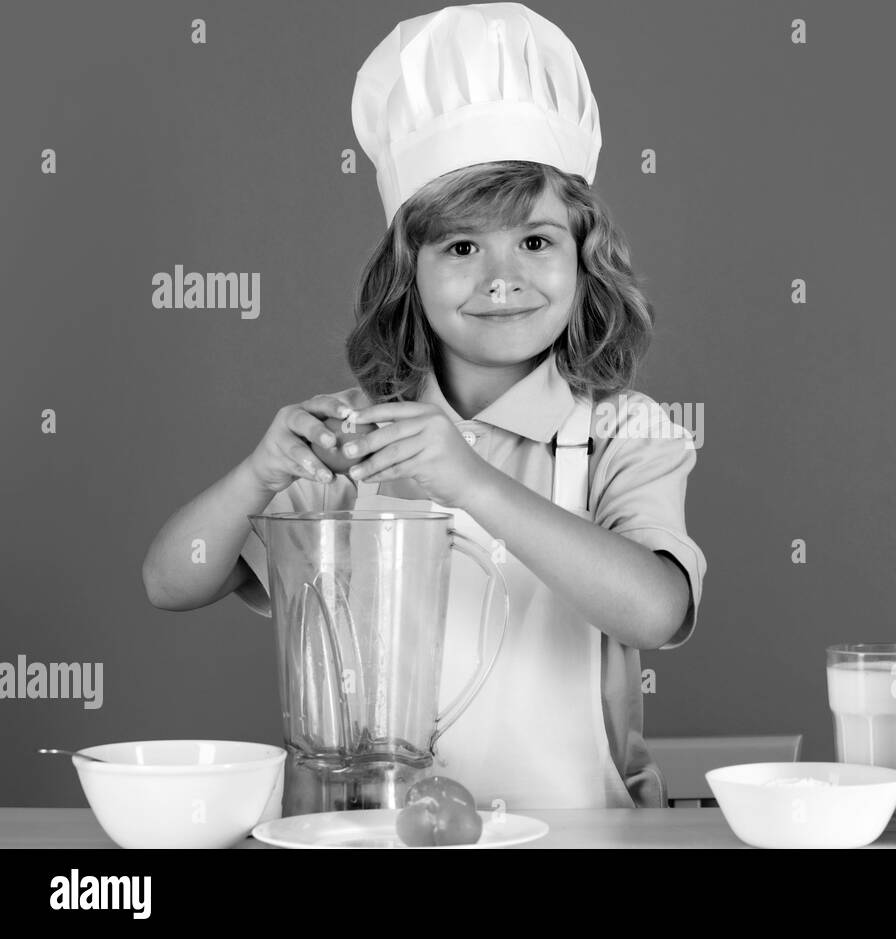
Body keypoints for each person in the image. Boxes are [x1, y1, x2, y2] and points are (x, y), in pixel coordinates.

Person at [141, 3, 705, 810]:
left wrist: (469, 478)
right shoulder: (356, 437)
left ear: (586, 261)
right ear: (409, 272)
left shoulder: (626, 431)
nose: (502, 277)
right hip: (373, 834)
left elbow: (654, 611)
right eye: (463, 247)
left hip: (584, 835)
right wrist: (258, 475)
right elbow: (172, 580)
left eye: (536, 242)